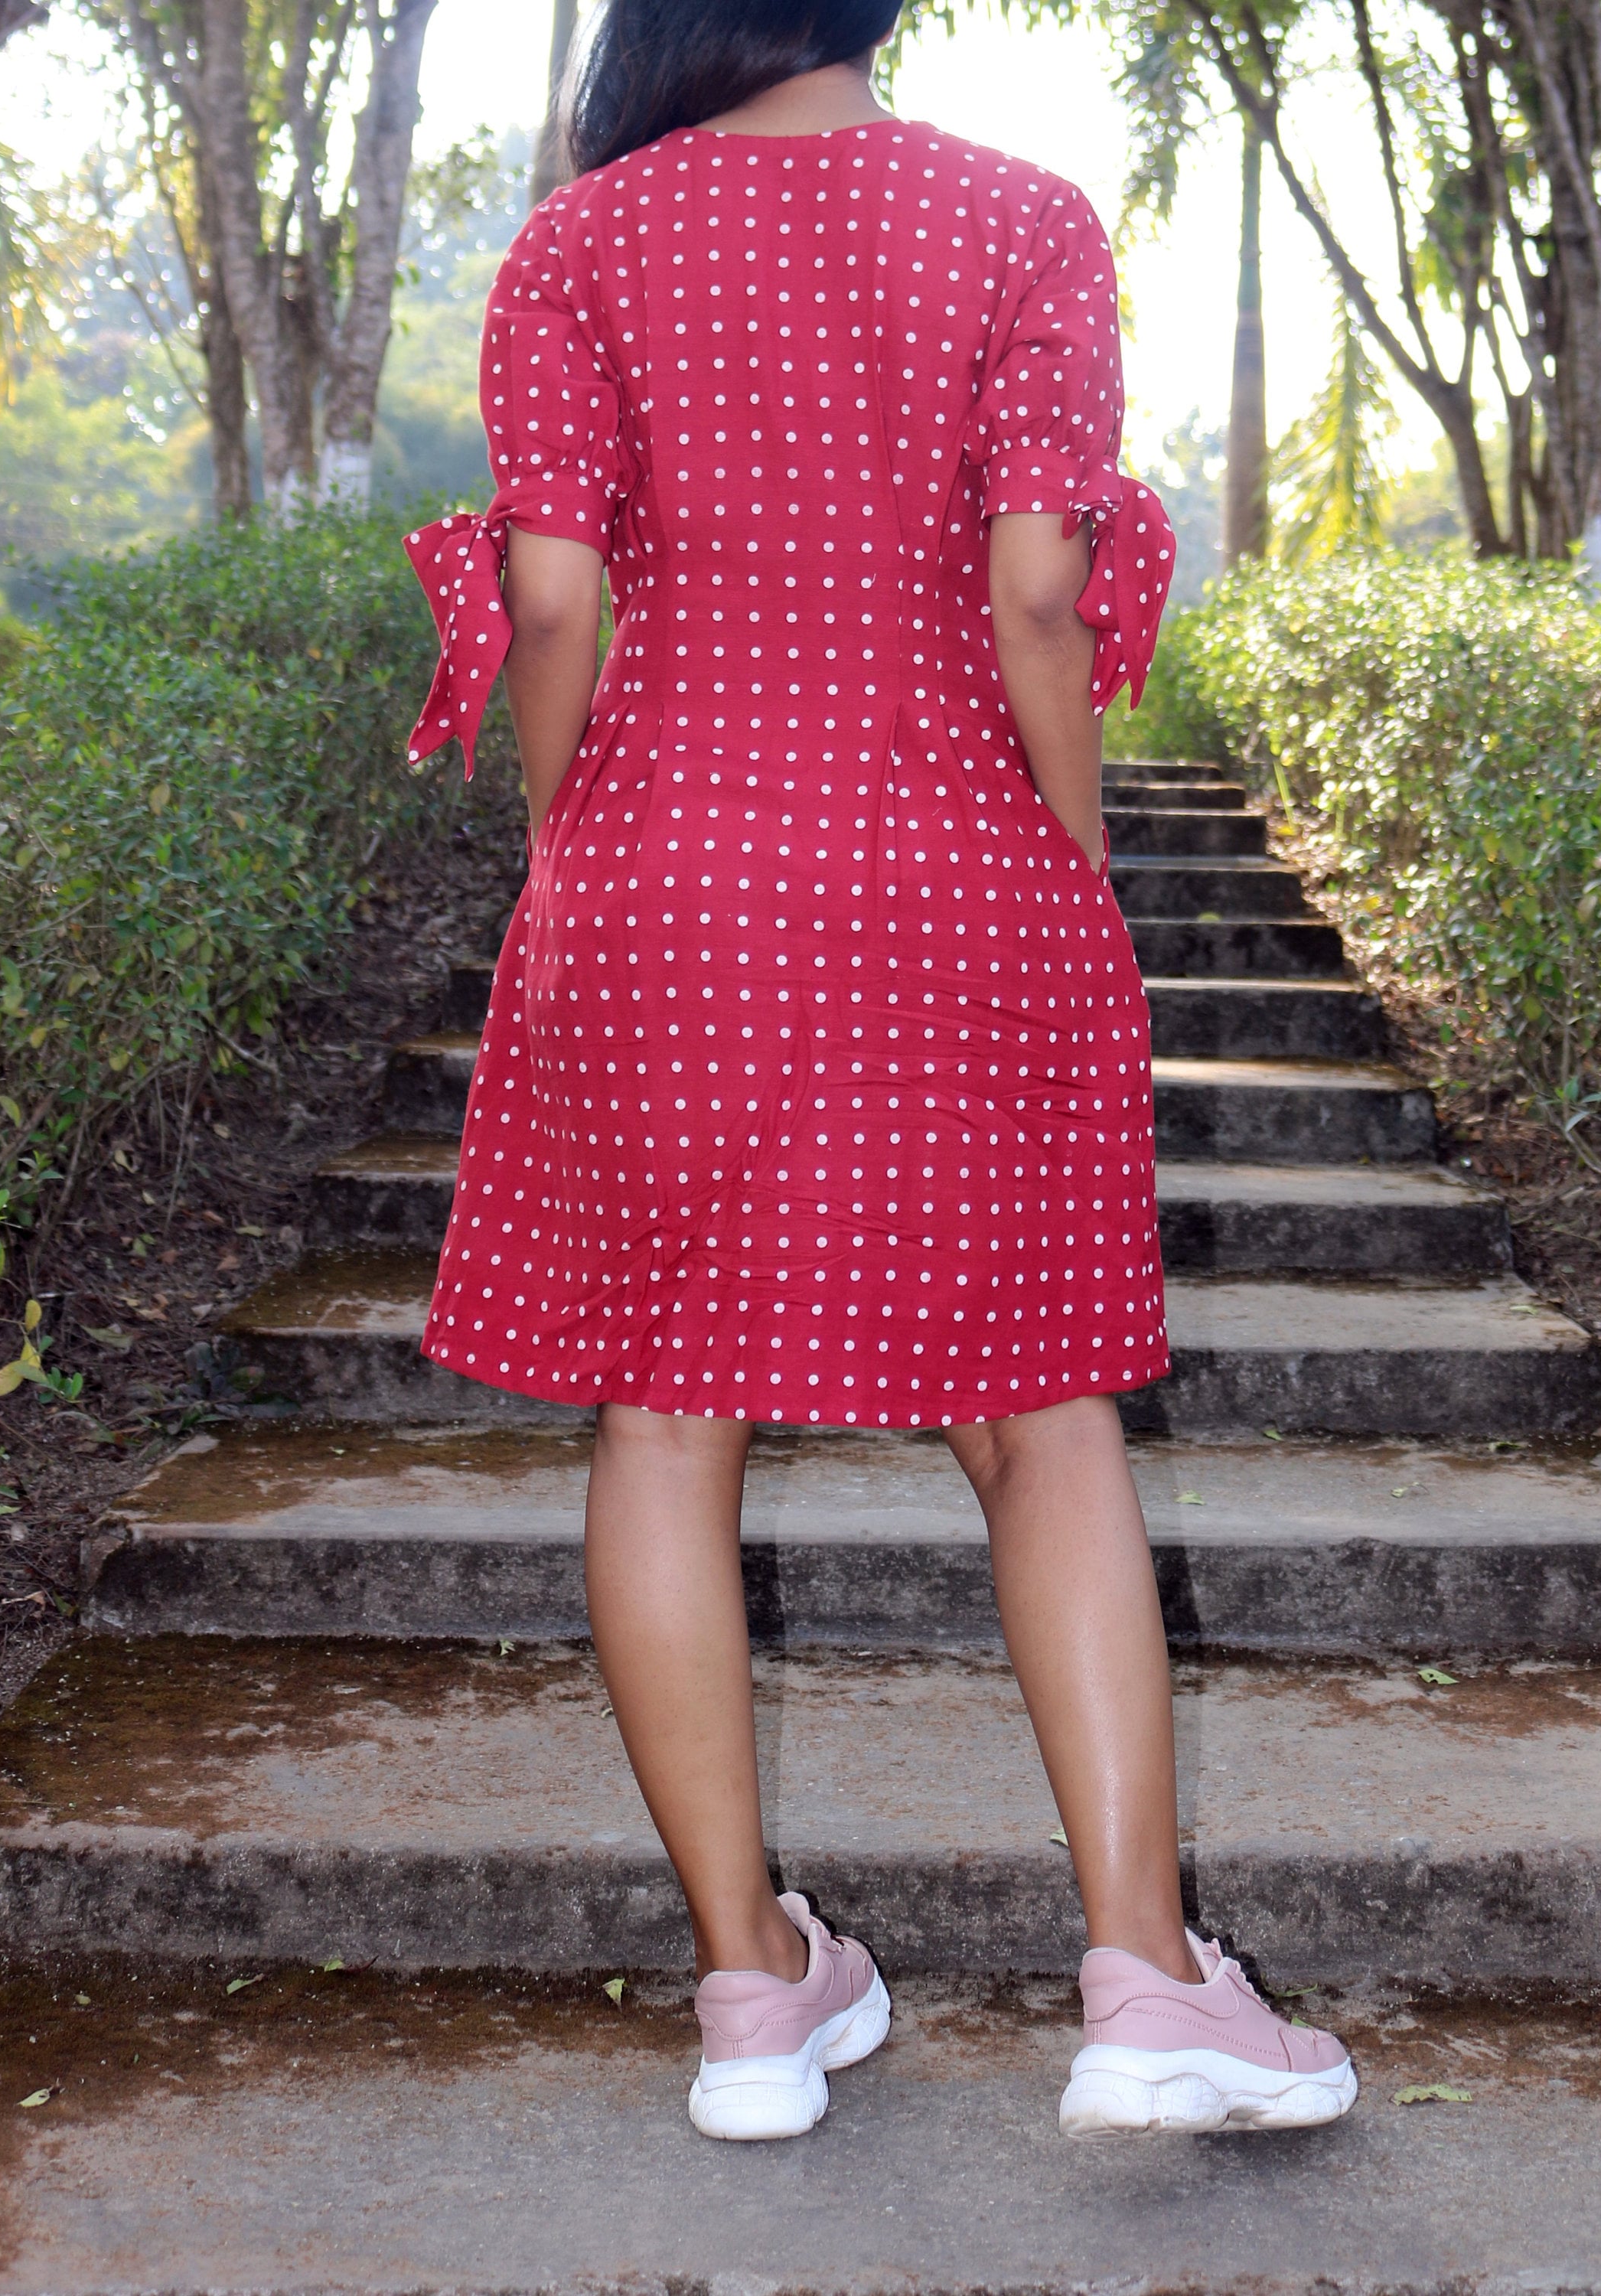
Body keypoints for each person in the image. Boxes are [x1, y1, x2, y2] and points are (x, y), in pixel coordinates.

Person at [403, 0, 1356, 2144]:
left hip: (662, 887)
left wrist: (575, 859)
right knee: (1042, 1418)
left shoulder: (579, 247)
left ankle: (751, 1991)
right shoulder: (1019, 224)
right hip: (958, 876)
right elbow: (1041, 583)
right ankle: (1144, 1982)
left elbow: (552, 603)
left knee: (664, 1417)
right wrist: (1076, 870)